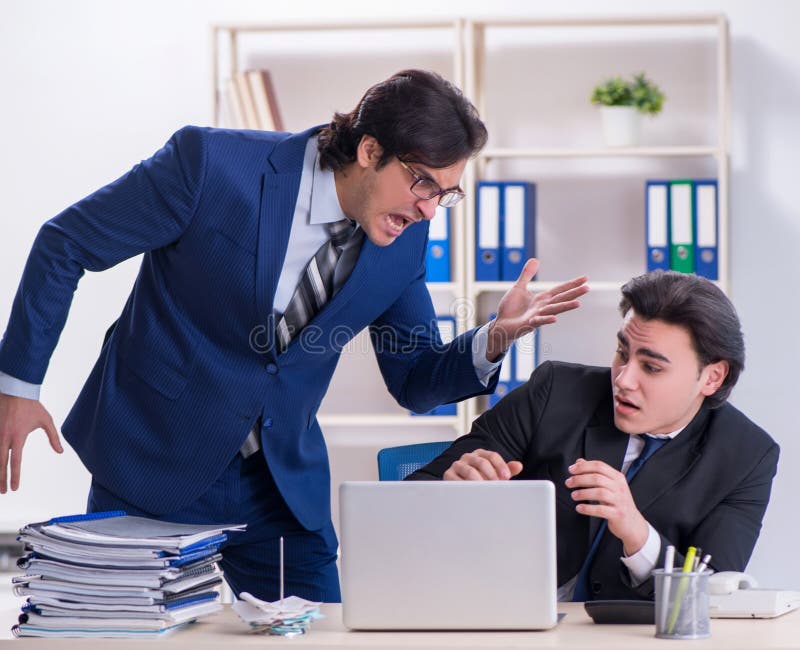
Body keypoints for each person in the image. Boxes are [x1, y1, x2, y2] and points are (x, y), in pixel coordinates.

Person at [0, 69, 588, 602]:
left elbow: (413, 380)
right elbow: (66, 243)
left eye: (445, 193)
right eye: (423, 184)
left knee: (329, 636)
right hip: (154, 460)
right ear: (369, 150)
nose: (431, 209)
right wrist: (19, 387)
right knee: (124, 640)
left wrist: (492, 339)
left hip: (278, 491)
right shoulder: (211, 165)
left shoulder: (402, 241)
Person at [408, 270, 779, 602]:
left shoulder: (746, 456)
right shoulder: (554, 391)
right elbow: (408, 497)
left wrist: (637, 533)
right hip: (498, 617)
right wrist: (451, 486)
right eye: (622, 353)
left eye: (651, 367)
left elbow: (712, 593)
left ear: (712, 377)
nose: (623, 379)